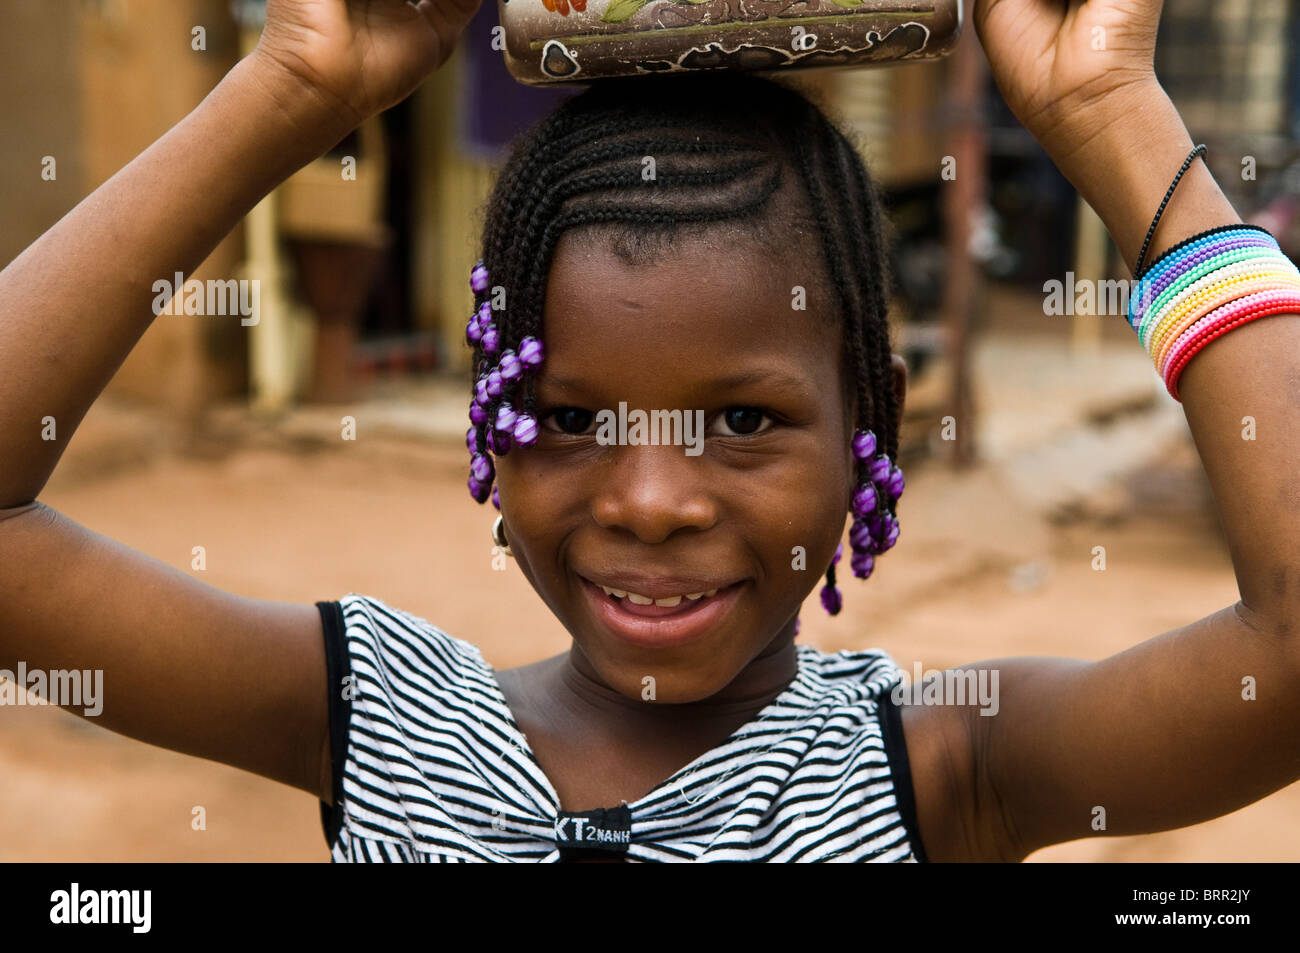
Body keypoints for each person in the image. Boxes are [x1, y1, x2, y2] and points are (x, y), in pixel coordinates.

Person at [2, 0, 1298, 862]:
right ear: (489, 422)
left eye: (743, 418)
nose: (653, 498)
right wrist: (287, 91)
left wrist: (1109, 117)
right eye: (568, 417)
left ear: (872, 426)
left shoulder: (945, 764)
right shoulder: (374, 720)